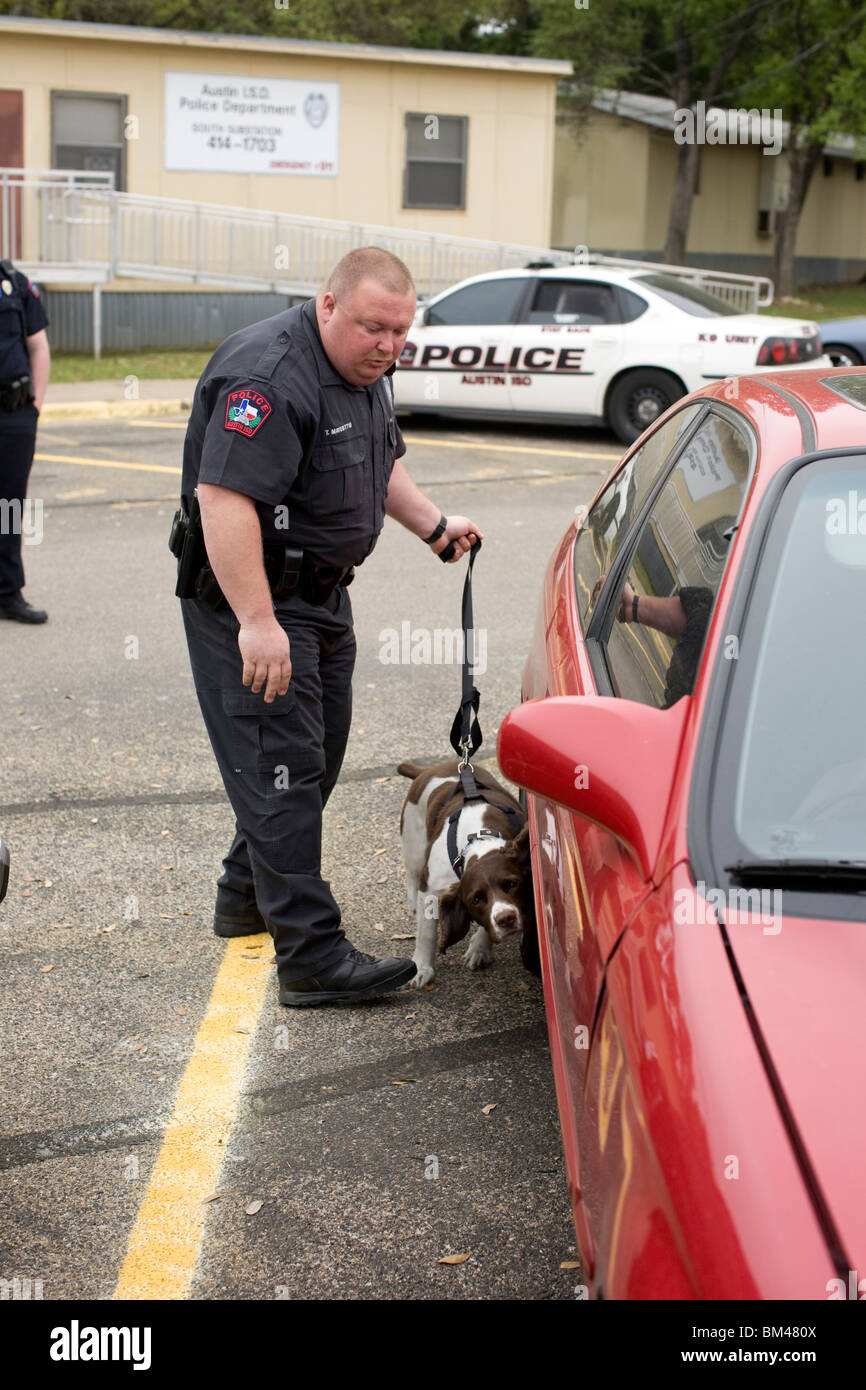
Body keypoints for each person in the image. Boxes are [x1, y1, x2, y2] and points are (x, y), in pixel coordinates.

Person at [177, 247, 483, 1007]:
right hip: (254, 600)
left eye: (401, 332)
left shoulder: (364, 372)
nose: (388, 345)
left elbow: (376, 463)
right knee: (283, 764)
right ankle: (311, 958)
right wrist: (256, 620)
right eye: (375, 328)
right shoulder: (268, 378)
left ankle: (245, 894)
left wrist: (434, 526)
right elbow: (223, 500)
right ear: (327, 306)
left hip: (320, 598)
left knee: (312, 755)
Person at [0, 258, 50, 623]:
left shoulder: (15, 282)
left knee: (8, 506)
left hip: (14, 414)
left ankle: (7, 591)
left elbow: (38, 346)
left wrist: (35, 406)